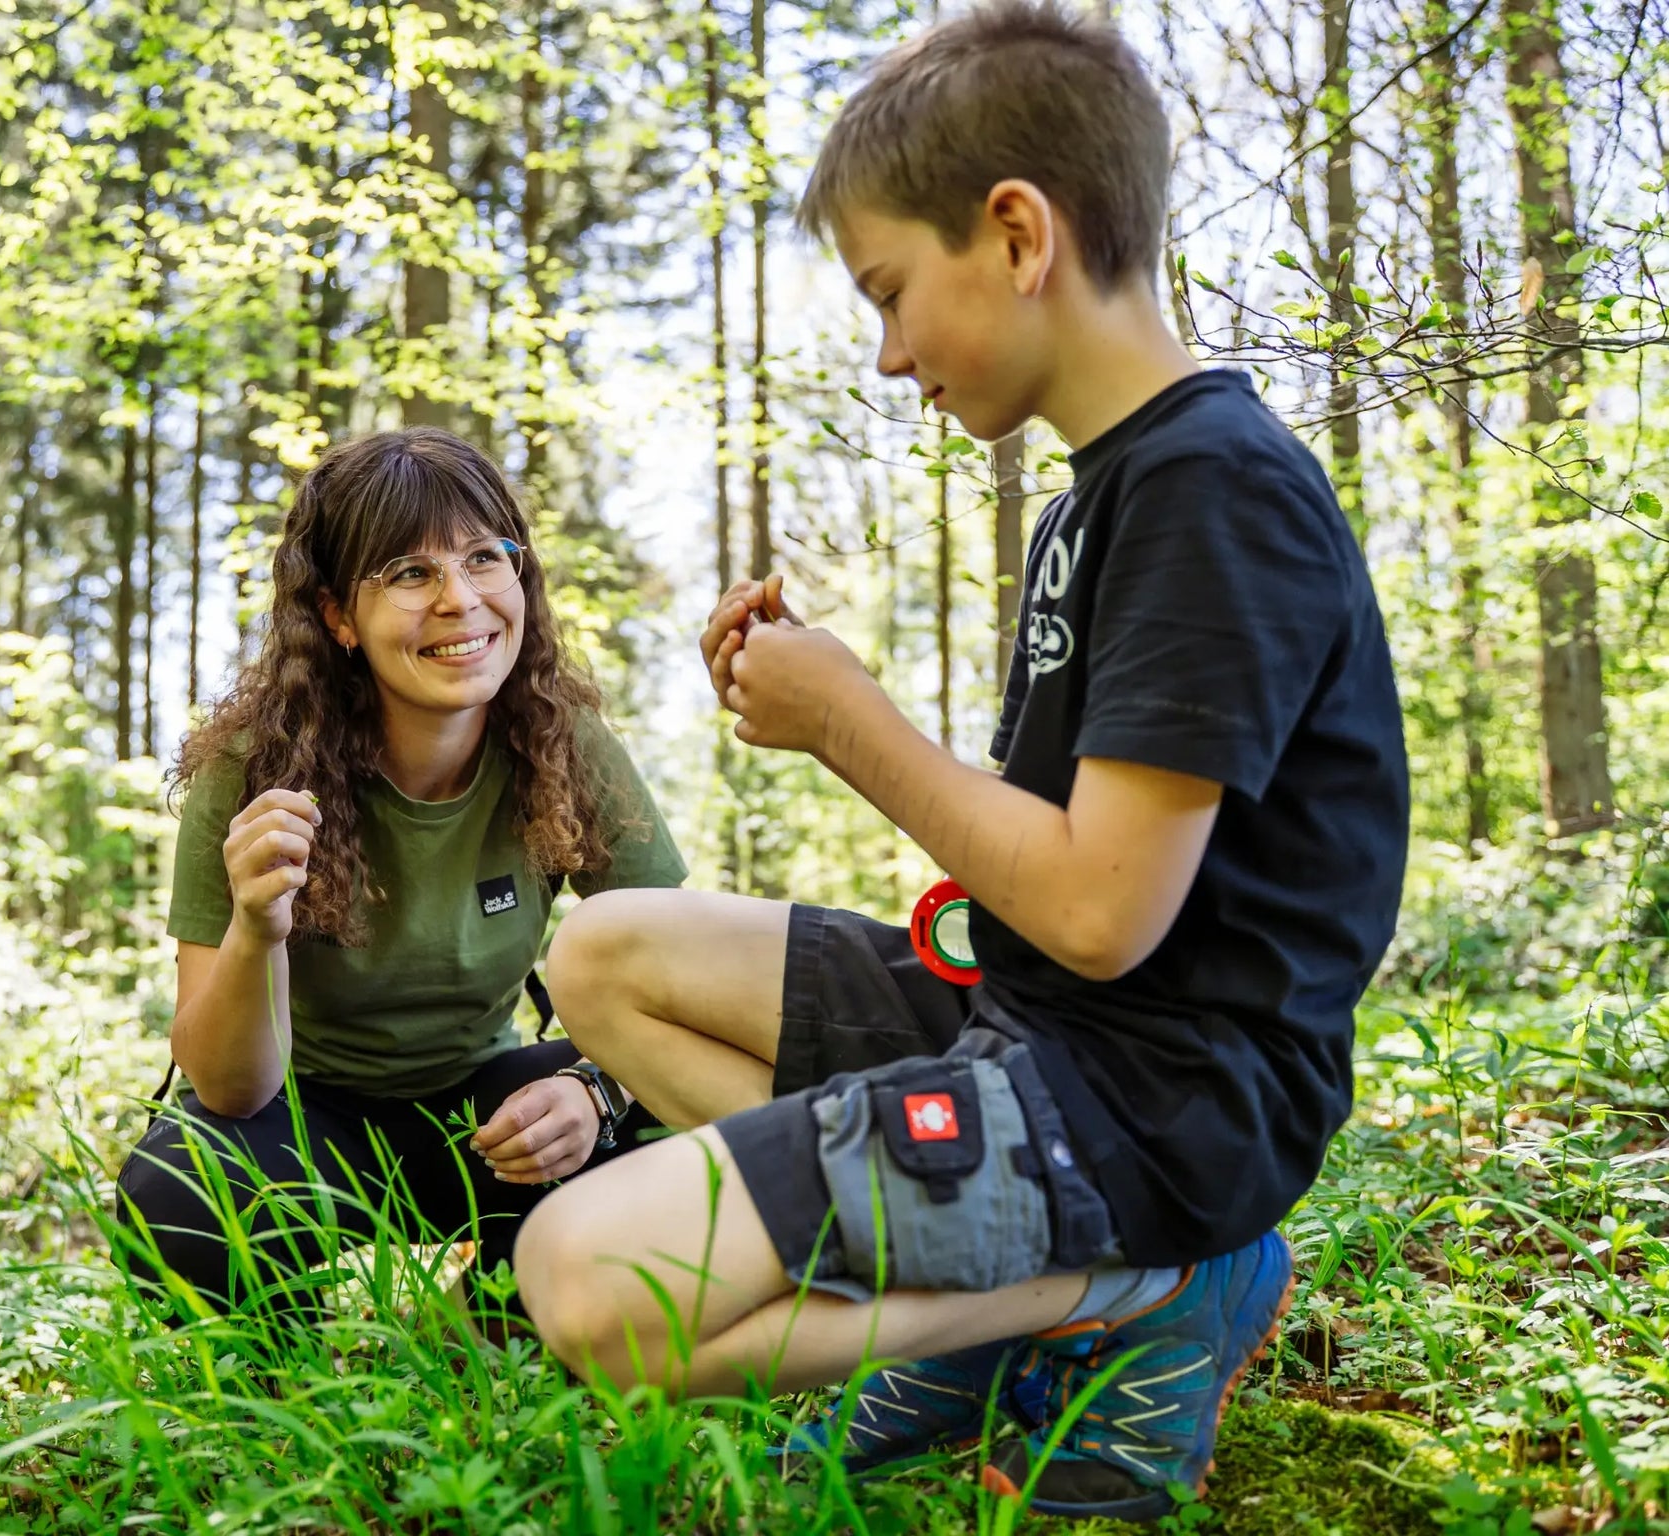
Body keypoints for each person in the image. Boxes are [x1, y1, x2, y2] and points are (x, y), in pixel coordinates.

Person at [508, 1, 1411, 1523]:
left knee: (586, 1277)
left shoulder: (1213, 492)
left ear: (1014, 232)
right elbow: (1060, 873)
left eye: (890, 292)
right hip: (1040, 1025)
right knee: (602, 952)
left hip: (1166, 1102)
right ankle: (999, 1295)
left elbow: (1104, 909)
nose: (888, 353)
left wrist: (850, 722)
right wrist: (822, 702)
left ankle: (1124, 1296)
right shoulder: (1098, 500)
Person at [114, 427, 686, 1326]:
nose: (460, 601)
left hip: (484, 1118)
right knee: (181, 1193)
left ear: (520, 577)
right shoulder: (251, 769)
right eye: (411, 575)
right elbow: (230, 1089)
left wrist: (593, 1090)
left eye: (483, 559)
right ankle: (277, 1398)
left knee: (668, 1122)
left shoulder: (563, 745)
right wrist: (256, 928)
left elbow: (683, 983)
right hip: (297, 1121)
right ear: (339, 615)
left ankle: (491, 1345)